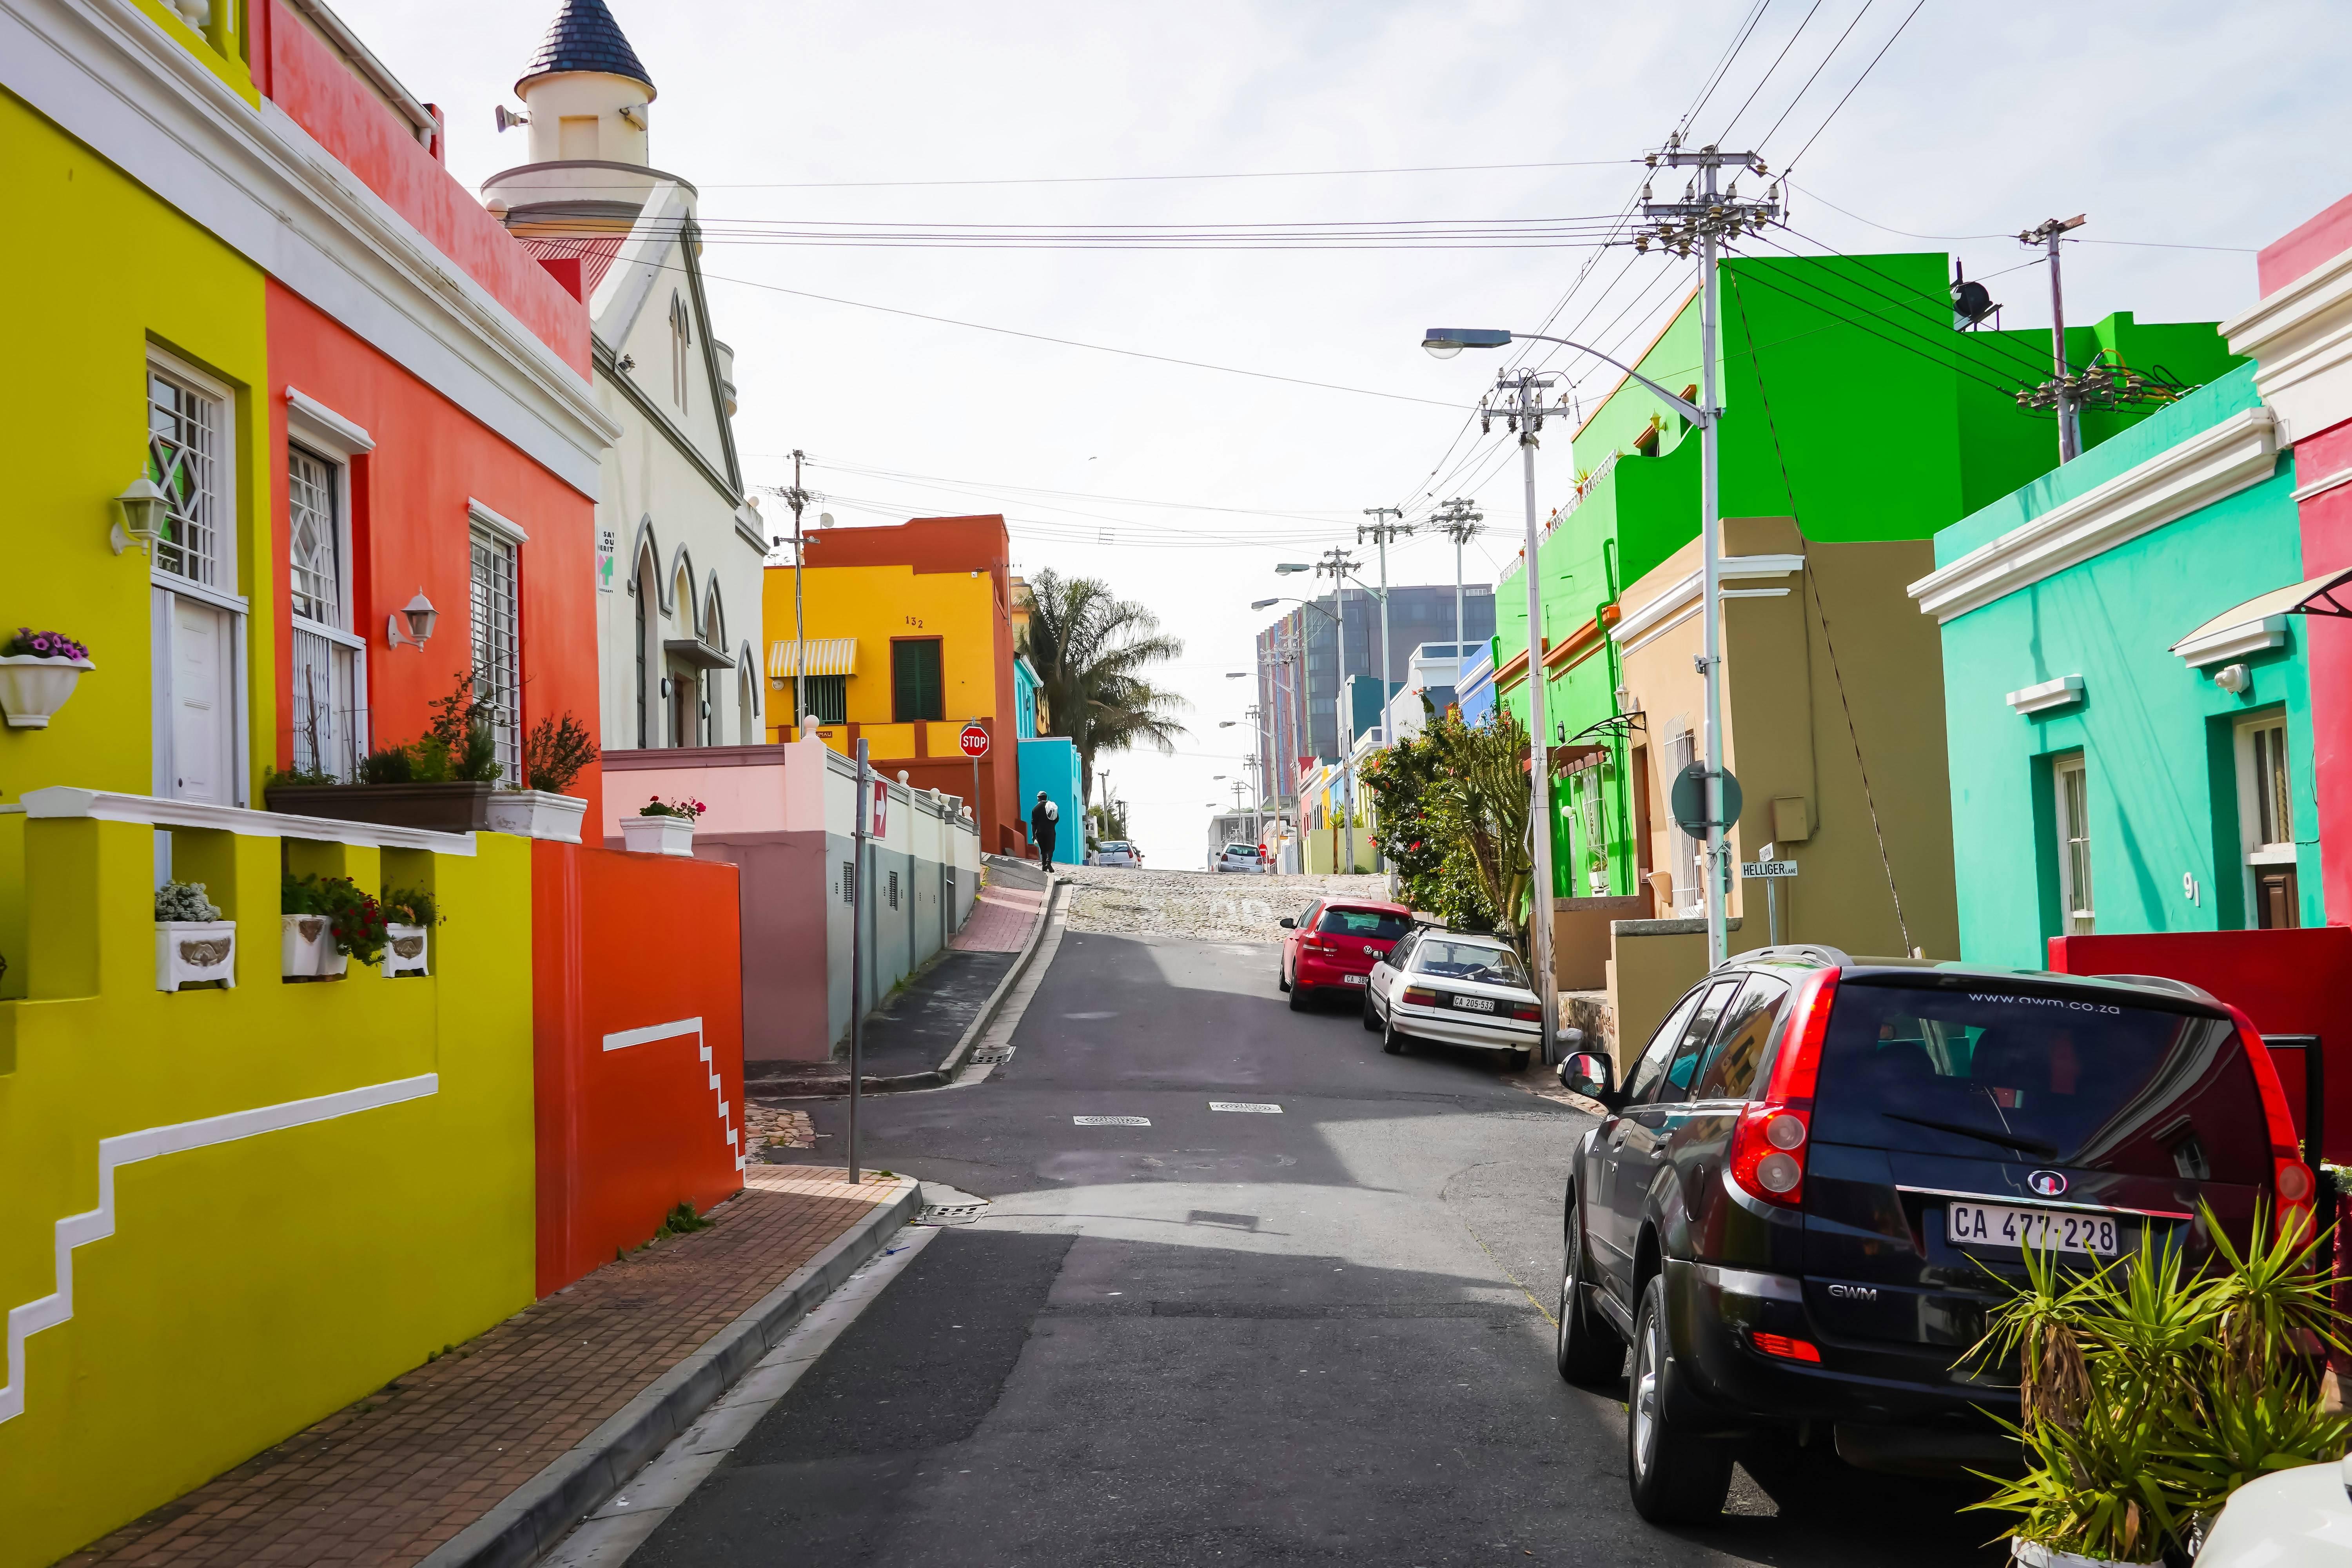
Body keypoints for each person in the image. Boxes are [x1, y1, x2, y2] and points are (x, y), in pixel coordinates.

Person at [1029, 791, 1059, 872]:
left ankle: (1044, 865)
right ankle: (1048, 863)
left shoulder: (1035, 809)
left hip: (1040, 832)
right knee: (1050, 848)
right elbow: (1057, 819)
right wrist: (1051, 825)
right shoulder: (1051, 807)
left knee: (1043, 849)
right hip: (1050, 831)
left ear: (1038, 798)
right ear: (1046, 798)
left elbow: (1033, 824)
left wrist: (1034, 836)